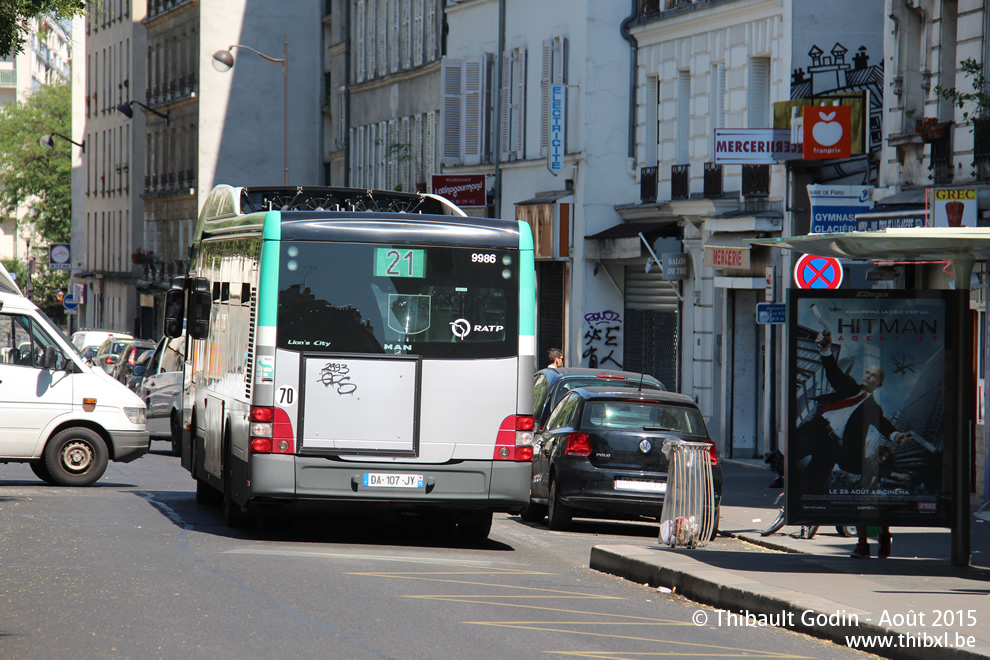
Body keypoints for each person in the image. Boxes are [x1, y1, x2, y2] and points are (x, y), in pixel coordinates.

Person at [793, 331, 906, 559]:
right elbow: (836, 376)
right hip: (817, 430)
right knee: (792, 459)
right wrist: (826, 352)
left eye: (873, 376)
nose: (868, 376)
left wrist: (896, 436)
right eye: (867, 372)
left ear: (879, 384)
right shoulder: (850, 388)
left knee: (824, 486)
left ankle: (872, 541)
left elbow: (883, 424)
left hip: (835, 447)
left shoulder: (873, 407)